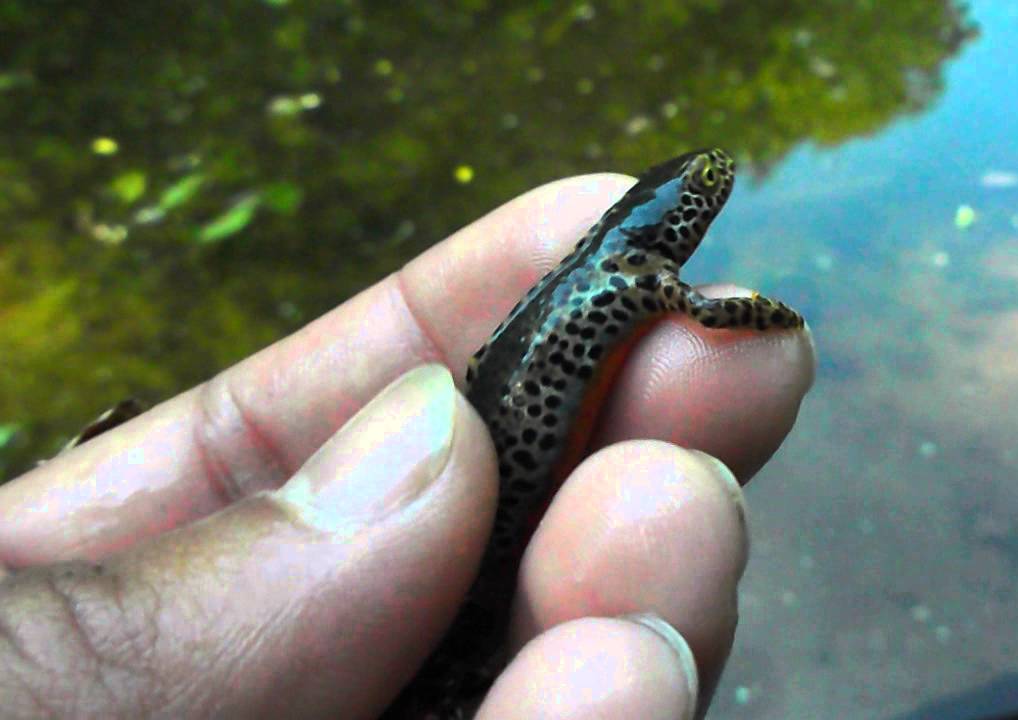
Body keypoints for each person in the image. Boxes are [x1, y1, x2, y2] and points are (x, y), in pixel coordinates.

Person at [0, 172, 815, 718]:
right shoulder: (638, 278)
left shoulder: (615, 269)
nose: (713, 192)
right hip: (480, 508)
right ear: (674, 221)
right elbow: (711, 318)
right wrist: (774, 318)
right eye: (704, 189)